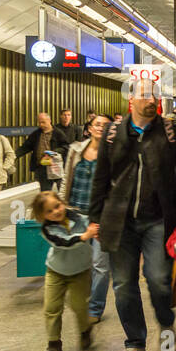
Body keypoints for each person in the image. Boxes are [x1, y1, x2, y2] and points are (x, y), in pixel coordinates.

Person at [89, 81, 176, 351]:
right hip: (120, 221)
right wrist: (94, 219)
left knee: (158, 281)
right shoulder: (112, 133)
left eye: (154, 94)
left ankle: (166, 324)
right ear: (131, 99)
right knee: (124, 285)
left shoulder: (173, 131)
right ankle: (135, 343)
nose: (150, 99)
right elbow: (100, 179)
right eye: (144, 94)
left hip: (160, 219)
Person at [59, 112, 113, 323]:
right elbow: (66, 179)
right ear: (89, 128)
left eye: (105, 125)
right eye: (97, 124)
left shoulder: (115, 153)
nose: (101, 127)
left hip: (102, 217)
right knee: (77, 261)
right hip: (76, 214)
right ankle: (78, 300)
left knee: (101, 265)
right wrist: (62, 207)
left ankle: (94, 309)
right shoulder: (75, 150)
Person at [32, 190, 97, 351]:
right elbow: (64, 243)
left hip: (80, 270)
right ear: (42, 215)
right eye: (49, 211)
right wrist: (84, 236)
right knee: (51, 308)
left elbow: (94, 223)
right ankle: (53, 344)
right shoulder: (47, 229)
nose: (56, 212)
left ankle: (85, 330)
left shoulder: (79, 217)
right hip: (56, 271)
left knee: (79, 305)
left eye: (57, 206)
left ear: (62, 203)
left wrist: (96, 229)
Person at [21, 112, 70, 192]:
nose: (41, 125)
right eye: (39, 122)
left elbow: (66, 146)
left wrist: (54, 152)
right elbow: (26, 147)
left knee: (62, 192)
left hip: (56, 166)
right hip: (42, 168)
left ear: (49, 120)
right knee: (45, 193)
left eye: (43, 122)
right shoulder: (36, 134)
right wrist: (14, 155)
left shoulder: (58, 133)